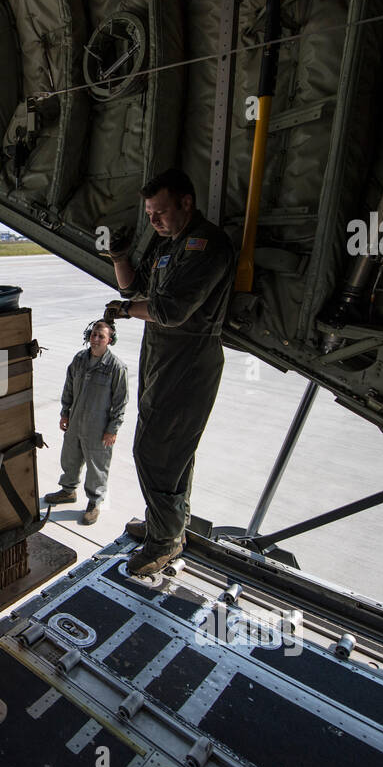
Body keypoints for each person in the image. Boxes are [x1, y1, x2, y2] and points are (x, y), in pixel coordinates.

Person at [103, 168, 237, 576]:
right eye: (149, 214)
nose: (154, 221)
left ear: (186, 203)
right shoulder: (165, 247)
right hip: (159, 356)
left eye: (160, 212)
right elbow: (133, 290)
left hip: (190, 361)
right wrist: (119, 258)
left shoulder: (207, 245)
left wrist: (124, 312)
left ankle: (163, 542)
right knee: (170, 451)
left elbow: (170, 311)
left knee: (155, 451)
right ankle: (168, 523)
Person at [44, 319, 128, 525]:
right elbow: (69, 388)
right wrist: (65, 413)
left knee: (97, 466)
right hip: (76, 421)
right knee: (70, 457)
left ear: (110, 340)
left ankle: (94, 503)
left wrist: (113, 428)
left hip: (98, 427)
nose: (96, 339)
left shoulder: (116, 367)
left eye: (101, 336)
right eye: (94, 335)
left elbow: (120, 401)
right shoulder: (80, 359)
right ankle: (68, 491)